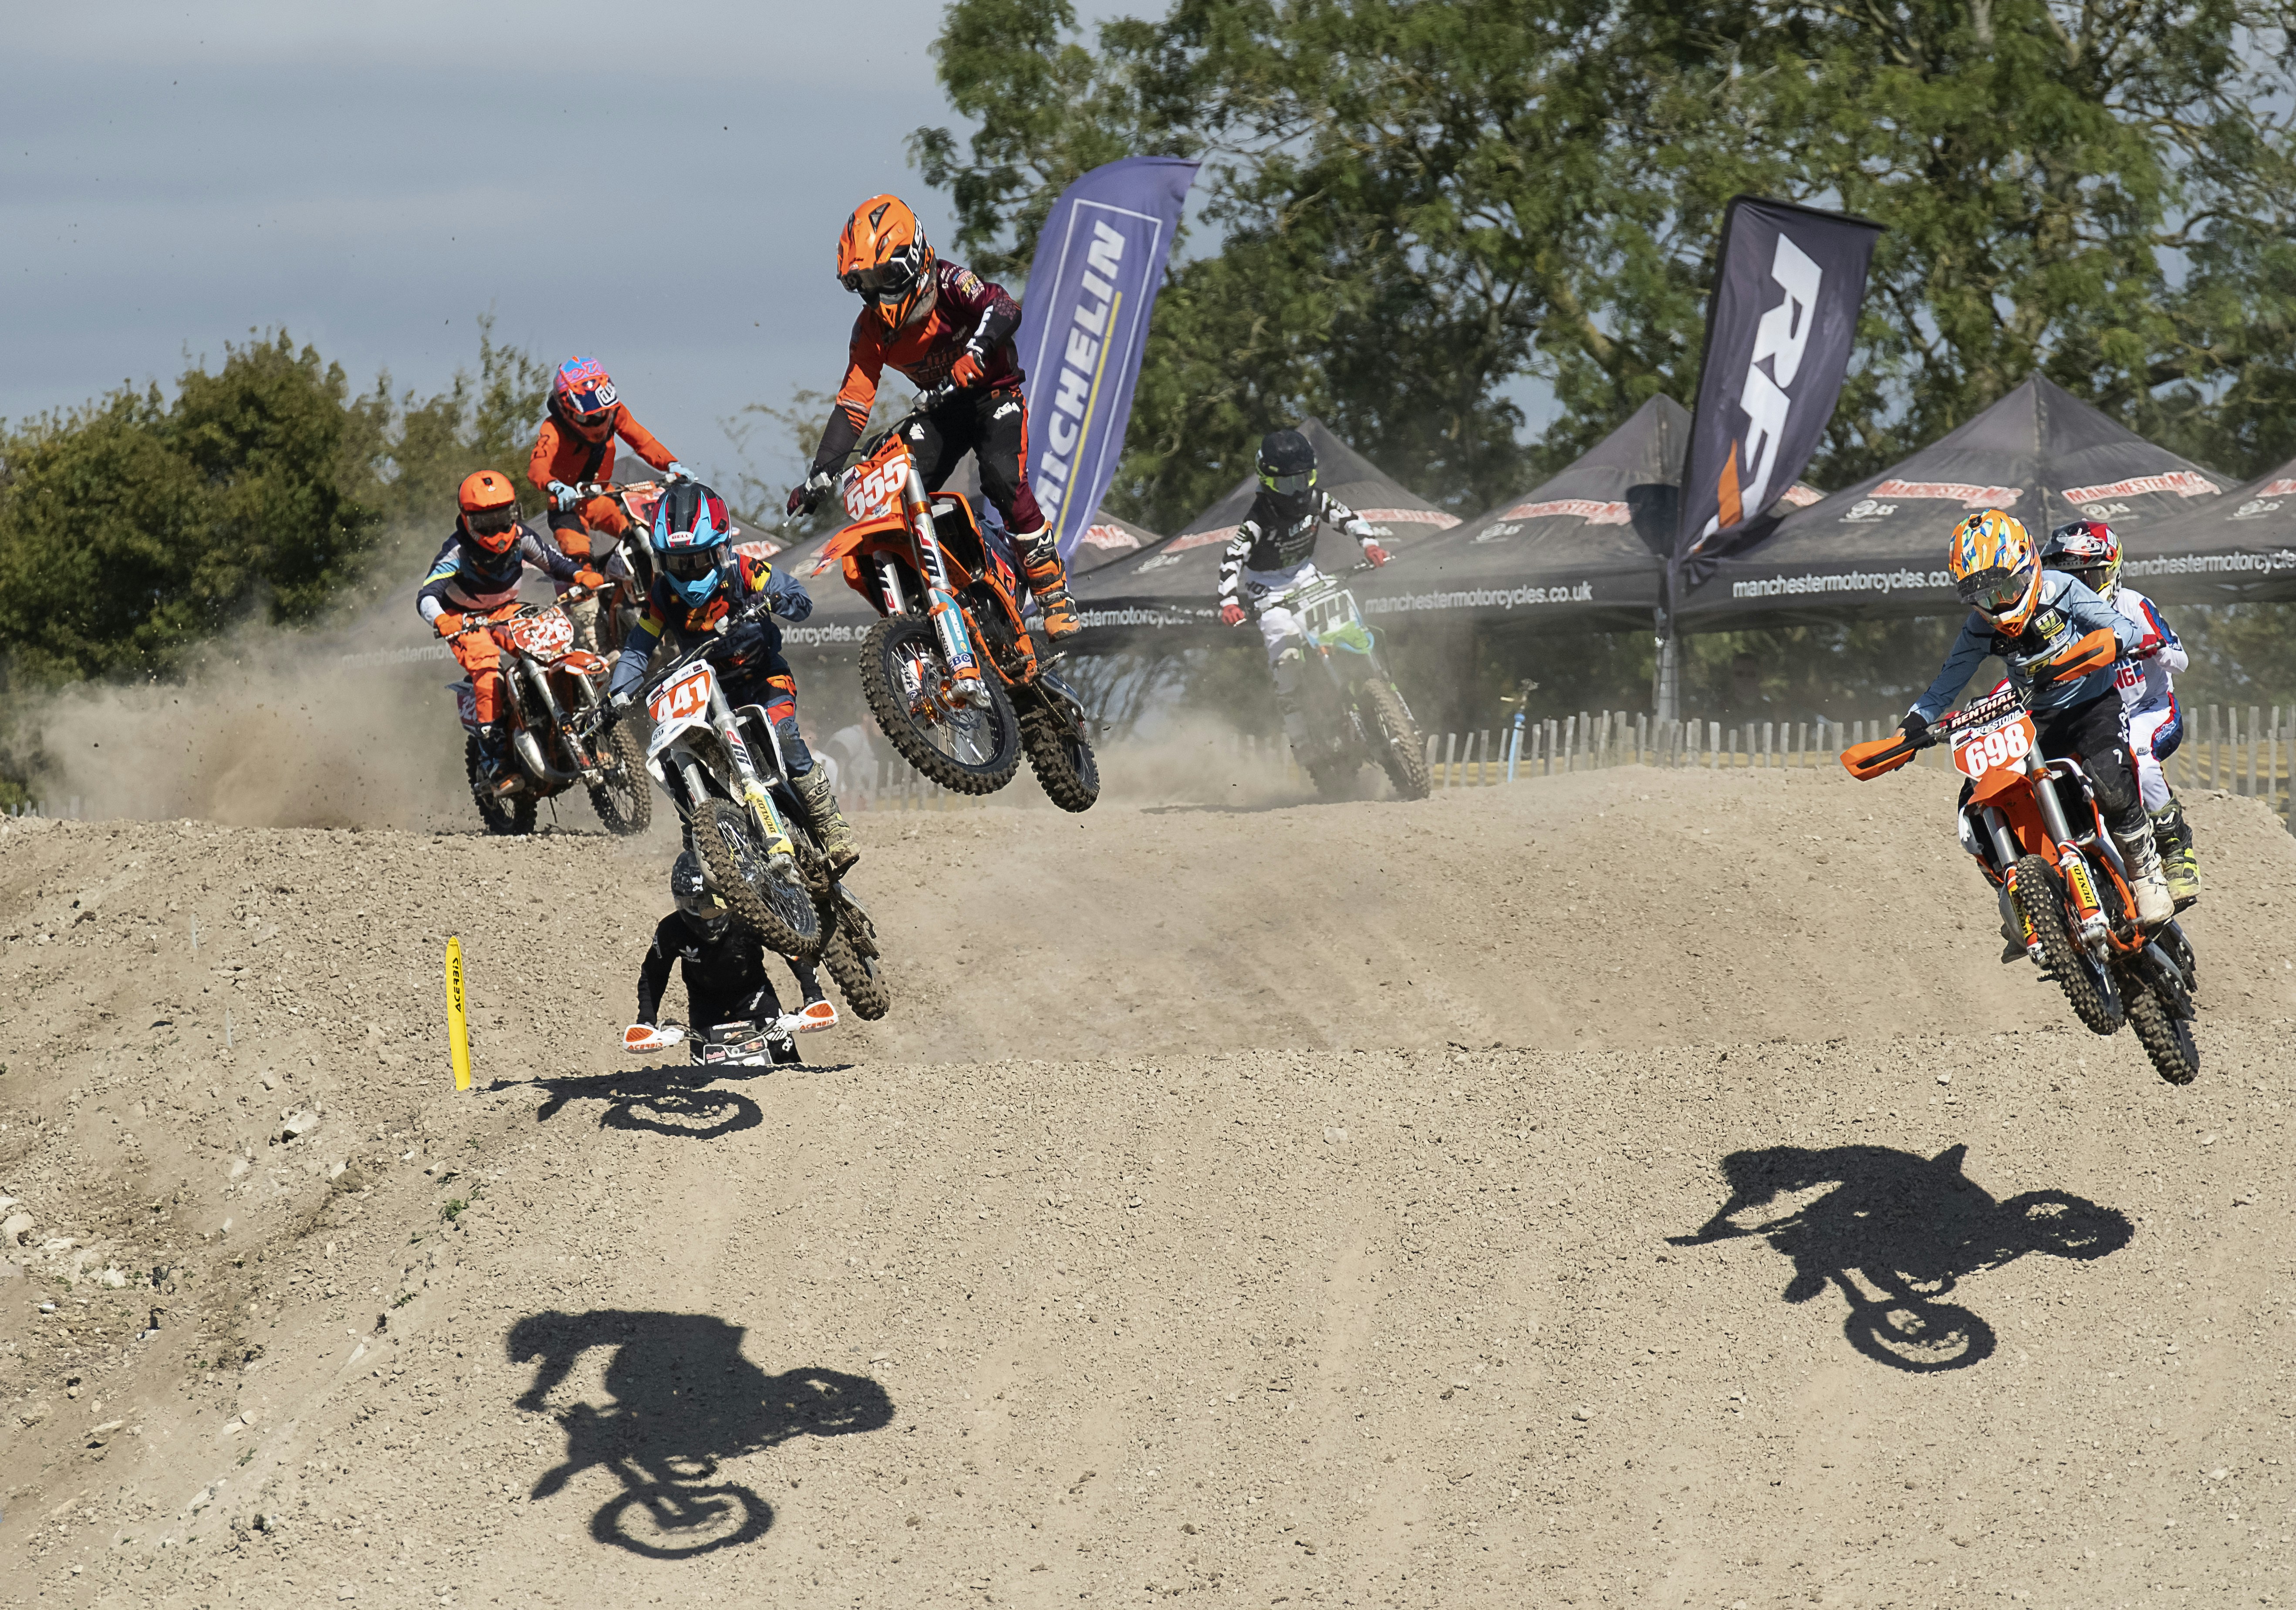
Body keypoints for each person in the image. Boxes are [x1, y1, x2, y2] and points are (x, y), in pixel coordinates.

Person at [784, 194, 1080, 646]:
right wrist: (820, 473)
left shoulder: (948, 281)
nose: (878, 293)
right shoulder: (870, 330)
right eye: (864, 283)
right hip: (941, 409)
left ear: (916, 257)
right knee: (887, 484)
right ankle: (933, 599)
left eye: (886, 276)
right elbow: (853, 404)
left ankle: (1048, 584)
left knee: (1002, 478)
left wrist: (975, 353)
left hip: (992, 393)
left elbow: (1003, 308)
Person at [1905, 509, 2171, 927]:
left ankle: (2145, 873)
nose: (2000, 604)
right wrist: (1914, 725)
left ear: (2028, 565)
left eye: (2008, 587)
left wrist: (2106, 644)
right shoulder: (1980, 627)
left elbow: (2124, 628)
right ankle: (2022, 898)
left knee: (2108, 776)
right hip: (2036, 720)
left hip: (2093, 705)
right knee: (1976, 800)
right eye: (1986, 597)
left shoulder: (2061, 588)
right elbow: (1947, 681)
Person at [605, 480, 859, 873]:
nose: (687, 574)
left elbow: (797, 597)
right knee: (677, 756)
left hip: (762, 677)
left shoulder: (744, 571)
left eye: (697, 561)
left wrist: (777, 600)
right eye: (677, 563)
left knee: (786, 735)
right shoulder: (661, 596)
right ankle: (699, 841)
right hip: (707, 694)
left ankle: (831, 828)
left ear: (721, 548)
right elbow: (638, 648)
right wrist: (617, 695)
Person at [2041, 521, 2199, 906]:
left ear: (2111, 570)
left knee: (2139, 763)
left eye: (2088, 575)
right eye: (2069, 576)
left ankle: (2177, 852)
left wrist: (2152, 647)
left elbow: (2181, 661)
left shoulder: (2133, 605)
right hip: (2099, 716)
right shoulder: (2062, 621)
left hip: (2151, 709)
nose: (2080, 584)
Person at [417, 469, 603, 791]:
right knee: (487, 668)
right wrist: (441, 620)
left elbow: (553, 562)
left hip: (505, 609)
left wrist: (580, 575)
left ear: (514, 511)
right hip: (464, 618)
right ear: (468, 520)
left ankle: (579, 729)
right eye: (486, 522)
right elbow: (427, 594)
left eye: (504, 517)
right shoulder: (458, 550)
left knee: (552, 645)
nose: (498, 529)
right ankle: (495, 761)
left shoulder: (522, 536)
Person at [1216, 428, 1393, 749]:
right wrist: (1229, 601)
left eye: (1303, 479)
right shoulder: (1257, 519)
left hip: (1308, 577)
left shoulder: (1317, 498)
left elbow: (1350, 519)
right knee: (1286, 661)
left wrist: (1370, 545)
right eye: (1286, 484)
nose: (1296, 491)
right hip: (1268, 592)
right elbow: (1231, 560)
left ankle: (1384, 690)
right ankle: (1304, 743)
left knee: (1353, 626)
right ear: (1267, 482)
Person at [528, 354, 692, 644]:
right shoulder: (552, 429)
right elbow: (537, 467)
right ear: (567, 410)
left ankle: (650, 600)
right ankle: (593, 635)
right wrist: (554, 485)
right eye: (589, 417)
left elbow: (643, 440)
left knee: (643, 534)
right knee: (581, 564)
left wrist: (671, 464)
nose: (599, 420)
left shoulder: (614, 412)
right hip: (567, 505)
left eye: (602, 413)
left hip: (601, 497)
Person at [623, 851, 838, 1065]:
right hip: (706, 1008)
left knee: (789, 1068)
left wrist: (814, 998)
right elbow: (653, 975)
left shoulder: (749, 917)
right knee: (705, 1085)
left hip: (756, 998)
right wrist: (646, 1023)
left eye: (711, 901)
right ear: (679, 901)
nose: (705, 912)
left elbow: (792, 948)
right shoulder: (671, 930)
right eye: (693, 904)